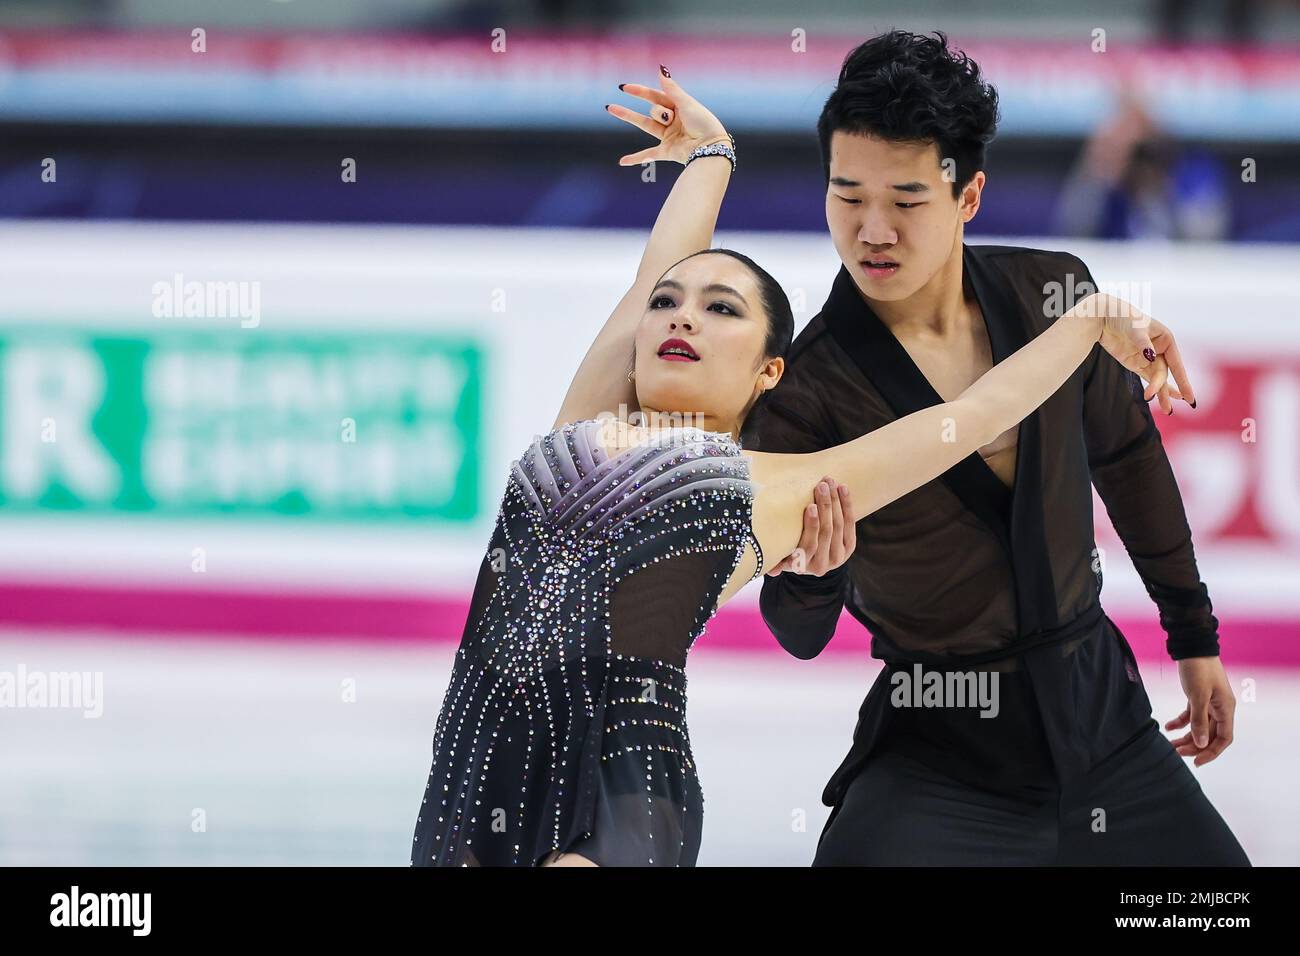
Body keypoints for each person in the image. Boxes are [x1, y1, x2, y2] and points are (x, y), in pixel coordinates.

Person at [409, 65, 1190, 867]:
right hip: (474, 776)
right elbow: (656, 268)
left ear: (768, 371)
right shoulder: (583, 421)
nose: (683, 315)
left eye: (722, 310)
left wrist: (1090, 317)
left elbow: (972, 418)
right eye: (669, 306)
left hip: (623, 790)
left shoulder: (764, 486)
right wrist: (710, 153)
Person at [740, 30, 1249, 865]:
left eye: (906, 201)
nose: (872, 231)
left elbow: (1128, 462)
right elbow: (797, 632)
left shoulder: (1053, 294)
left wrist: (1193, 638)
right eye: (847, 196)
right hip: (939, 756)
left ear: (967, 195)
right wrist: (817, 570)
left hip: (1105, 727)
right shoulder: (804, 388)